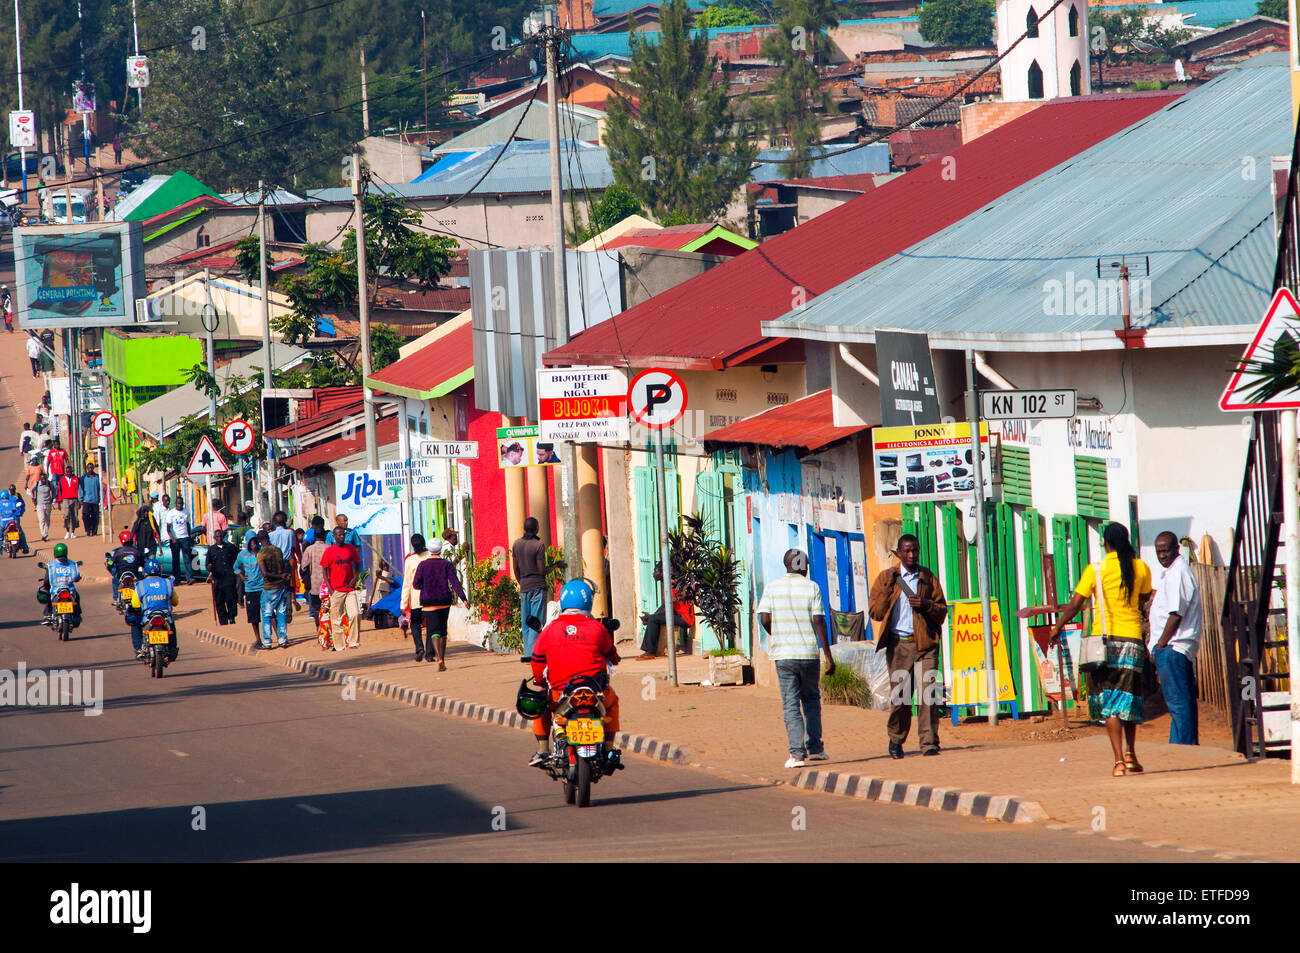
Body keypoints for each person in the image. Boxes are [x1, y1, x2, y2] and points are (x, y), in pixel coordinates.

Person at [1049, 522, 1154, 777]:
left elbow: (1075, 605)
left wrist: (1057, 628)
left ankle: (1118, 761)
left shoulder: (1096, 569)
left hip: (1104, 645)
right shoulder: (1140, 567)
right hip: (1132, 642)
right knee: (1129, 700)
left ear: (1106, 543)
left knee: (1110, 703)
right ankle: (1131, 754)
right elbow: (1144, 599)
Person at [527, 580, 623, 770]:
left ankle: (543, 748)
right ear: (588, 602)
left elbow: (537, 662)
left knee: (541, 705)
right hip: (594, 694)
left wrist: (540, 681)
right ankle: (610, 747)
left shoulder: (550, 630)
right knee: (612, 703)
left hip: (560, 694)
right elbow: (613, 655)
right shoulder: (598, 629)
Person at [868, 534, 949, 759]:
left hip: (925, 646)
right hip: (899, 647)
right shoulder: (886, 578)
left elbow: (942, 611)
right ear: (899, 554)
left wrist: (926, 604)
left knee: (928, 696)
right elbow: (875, 612)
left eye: (915, 550)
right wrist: (888, 586)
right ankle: (896, 739)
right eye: (907, 551)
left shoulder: (927, 577)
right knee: (901, 698)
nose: (912, 555)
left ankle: (929, 743)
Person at [758, 549, 836, 768]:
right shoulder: (812, 587)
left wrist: (778, 633)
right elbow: (819, 621)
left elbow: (764, 619)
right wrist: (828, 655)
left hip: (784, 656)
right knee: (811, 700)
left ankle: (796, 754)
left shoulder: (772, 588)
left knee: (791, 704)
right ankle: (816, 749)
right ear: (802, 566)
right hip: (809, 655)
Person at [1149, 531, 1203, 746]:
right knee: (1180, 703)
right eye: (1158, 552)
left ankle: (1185, 750)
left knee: (1179, 704)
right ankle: (1180, 746)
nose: (1162, 556)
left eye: (1165, 551)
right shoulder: (1172, 572)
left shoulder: (1178, 572)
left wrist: (1160, 644)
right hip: (1174, 648)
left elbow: (1176, 613)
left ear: (1176, 550)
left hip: (1173, 647)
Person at [512, 517, 564, 662]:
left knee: (526, 621)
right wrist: (555, 565)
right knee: (536, 621)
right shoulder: (539, 545)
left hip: (524, 586)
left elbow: (515, 568)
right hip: (538, 586)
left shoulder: (516, 544)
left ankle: (529, 653)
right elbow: (542, 570)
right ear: (536, 529)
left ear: (524, 528)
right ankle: (533, 655)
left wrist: (522, 582)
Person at [411, 538, 466, 670]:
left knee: (433, 631)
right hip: (444, 601)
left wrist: (426, 586)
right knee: (443, 631)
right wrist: (463, 598)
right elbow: (455, 582)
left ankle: (439, 658)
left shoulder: (422, 565)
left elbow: (416, 584)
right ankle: (442, 657)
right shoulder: (446, 564)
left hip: (428, 603)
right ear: (440, 549)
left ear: (429, 550)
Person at [636, 561, 695, 660]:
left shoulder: (671, 584)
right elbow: (665, 606)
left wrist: (651, 617)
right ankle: (652, 650)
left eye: (655, 571)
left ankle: (650, 651)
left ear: (663, 572)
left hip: (685, 618)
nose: (653, 574)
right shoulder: (669, 583)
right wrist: (652, 616)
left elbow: (668, 606)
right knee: (654, 619)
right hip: (679, 615)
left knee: (654, 619)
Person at [124, 559, 180, 662]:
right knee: (171, 626)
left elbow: (135, 604)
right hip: (165, 616)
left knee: (135, 625)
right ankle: (172, 649)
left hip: (147, 616)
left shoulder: (140, 585)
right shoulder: (168, 583)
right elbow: (175, 602)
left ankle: (139, 649)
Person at [321, 526, 362, 649]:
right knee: (336, 618)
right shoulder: (329, 551)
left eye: (343, 535)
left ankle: (353, 641)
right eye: (339, 535)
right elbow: (324, 569)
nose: (341, 537)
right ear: (334, 537)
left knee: (354, 614)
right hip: (336, 589)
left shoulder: (350, 549)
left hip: (349, 589)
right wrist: (330, 588)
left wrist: (355, 579)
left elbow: (357, 564)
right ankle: (339, 645)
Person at [400, 533, 433, 662]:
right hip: (431, 597)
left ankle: (419, 648)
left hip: (416, 599)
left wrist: (403, 604)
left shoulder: (410, 560)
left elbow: (407, 583)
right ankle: (430, 653)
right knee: (431, 625)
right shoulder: (431, 556)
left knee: (415, 624)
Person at [256, 530, 290, 649]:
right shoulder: (277, 550)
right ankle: (282, 639)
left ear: (259, 540)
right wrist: (282, 576)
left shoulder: (261, 554)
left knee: (267, 615)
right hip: (281, 586)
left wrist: (280, 576)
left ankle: (267, 641)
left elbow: (265, 573)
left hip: (269, 588)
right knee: (281, 613)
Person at [42, 542, 82, 628]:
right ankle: (77, 614)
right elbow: (76, 577)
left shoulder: (51, 565)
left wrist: (45, 586)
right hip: (69, 590)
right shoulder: (71, 564)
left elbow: (47, 580)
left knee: (48, 599)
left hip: (56, 590)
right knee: (77, 598)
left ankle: (47, 615)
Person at [206, 528, 240, 626]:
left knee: (231, 600)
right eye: (217, 537)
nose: (219, 538)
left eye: (221, 536)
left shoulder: (230, 547)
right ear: (214, 538)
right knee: (219, 602)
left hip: (229, 578)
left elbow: (238, 557)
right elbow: (207, 564)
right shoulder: (211, 549)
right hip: (218, 580)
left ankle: (232, 617)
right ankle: (223, 621)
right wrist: (209, 567)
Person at [235, 535, 265, 644]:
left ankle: (276, 637)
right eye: (251, 542)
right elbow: (235, 567)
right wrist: (242, 576)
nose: (254, 544)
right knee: (254, 617)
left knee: (269, 614)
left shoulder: (262, 551)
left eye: (255, 541)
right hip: (250, 589)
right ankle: (258, 639)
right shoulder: (242, 554)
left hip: (263, 587)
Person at [300, 526, 329, 625]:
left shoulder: (309, 549)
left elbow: (303, 567)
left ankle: (319, 629)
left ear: (315, 536)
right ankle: (328, 631)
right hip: (328, 585)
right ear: (325, 536)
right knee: (328, 608)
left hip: (315, 585)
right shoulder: (329, 549)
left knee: (316, 609)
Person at [165, 498, 193, 585]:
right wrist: (173, 538)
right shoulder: (171, 513)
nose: (179, 505)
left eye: (181, 504)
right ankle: (177, 579)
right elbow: (168, 529)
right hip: (175, 539)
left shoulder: (186, 512)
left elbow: (187, 524)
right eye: (178, 504)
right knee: (175, 559)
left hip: (184, 538)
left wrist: (189, 536)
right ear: (175, 504)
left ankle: (189, 578)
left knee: (187, 558)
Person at [0, 484, 30, 553]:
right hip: (12, 520)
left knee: (20, 533)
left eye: (13, 490)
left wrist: (20, 513)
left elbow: (22, 505)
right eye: (11, 490)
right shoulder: (10, 502)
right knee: (21, 533)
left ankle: (25, 547)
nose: (12, 491)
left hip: (13, 520)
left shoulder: (17, 496)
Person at [78, 462, 101, 536]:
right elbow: (80, 488)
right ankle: (88, 530)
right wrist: (80, 498)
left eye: (91, 468)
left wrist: (100, 498)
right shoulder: (83, 478)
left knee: (95, 517)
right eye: (89, 468)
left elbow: (100, 488)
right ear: (87, 469)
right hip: (86, 500)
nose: (90, 469)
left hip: (95, 500)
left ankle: (94, 531)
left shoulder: (97, 477)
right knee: (85, 516)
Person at [30, 470, 54, 541]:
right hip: (40, 504)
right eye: (42, 479)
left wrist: (53, 498)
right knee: (42, 520)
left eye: (44, 479)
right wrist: (33, 498)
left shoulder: (49, 484)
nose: (43, 480)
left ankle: (45, 533)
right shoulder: (37, 484)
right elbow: (31, 490)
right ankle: (44, 535)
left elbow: (54, 490)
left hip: (48, 504)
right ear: (40, 479)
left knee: (47, 520)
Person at [60, 471, 79, 538]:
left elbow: (78, 489)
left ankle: (73, 532)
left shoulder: (75, 479)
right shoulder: (62, 479)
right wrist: (59, 501)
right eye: (67, 472)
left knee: (74, 516)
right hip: (65, 499)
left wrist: (79, 500)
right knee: (66, 515)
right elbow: (60, 490)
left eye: (69, 471)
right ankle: (67, 532)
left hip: (74, 499)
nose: (69, 473)